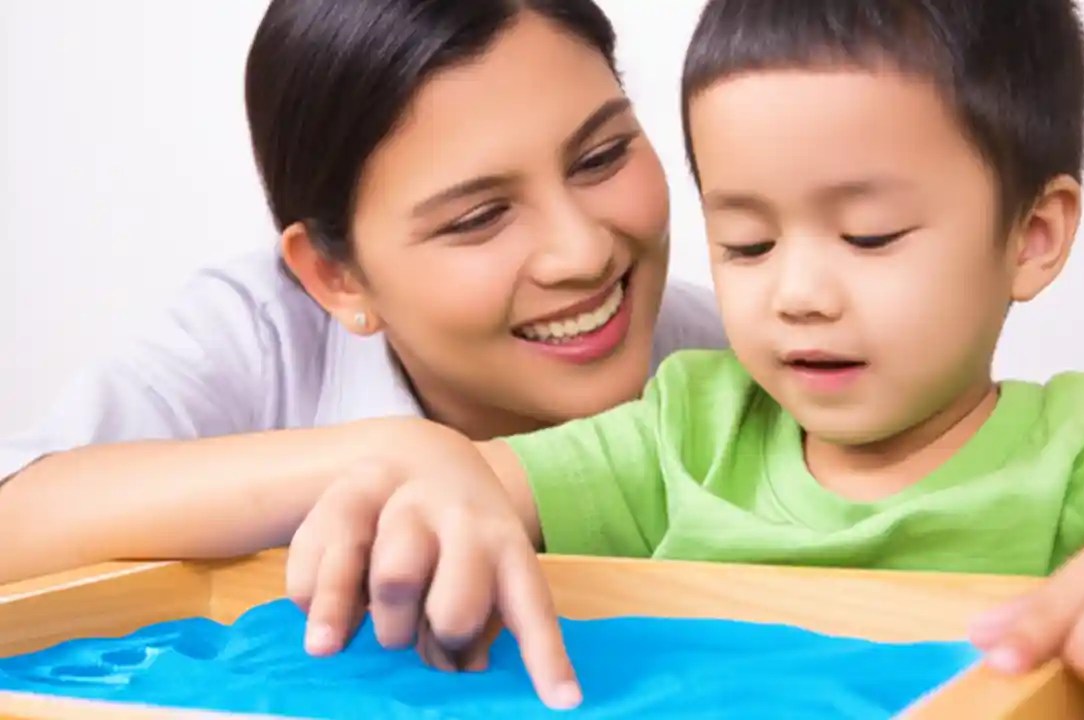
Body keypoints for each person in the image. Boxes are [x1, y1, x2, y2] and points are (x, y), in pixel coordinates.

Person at [289, 0, 1084, 716]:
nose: (796, 292)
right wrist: (433, 493)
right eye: (747, 245)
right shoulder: (686, 433)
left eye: (869, 236)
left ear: (1031, 235)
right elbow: (474, 484)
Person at [0, 0, 726, 584]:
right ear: (333, 275)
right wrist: (401, 455)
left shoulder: (745, 359)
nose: (583, 251)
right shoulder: (260, 339)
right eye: (479, 218)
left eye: (601, 157)